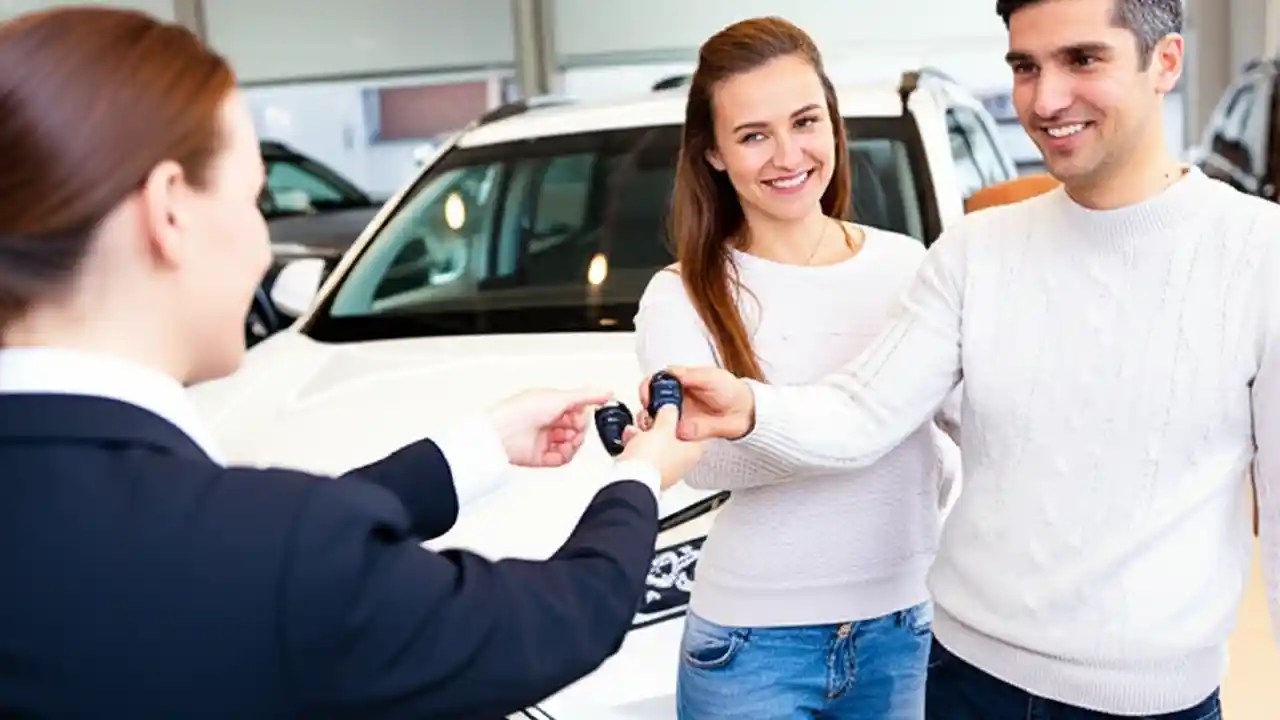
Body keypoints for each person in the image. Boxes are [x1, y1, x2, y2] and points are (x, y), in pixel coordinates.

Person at [0, 7, 703, 719]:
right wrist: (642, 475)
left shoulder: (182, 530)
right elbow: (563, 615)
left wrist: (477, 448)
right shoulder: (261, 549)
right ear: (170, 211)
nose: (263, 247)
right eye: (255, 202)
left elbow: (257, 545)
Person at [642, 0, 1279, 718]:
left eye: (1082, 59)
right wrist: (751, 407)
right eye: (1025, 67)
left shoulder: (1258, 254)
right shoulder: (975, 250)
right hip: (964, 681)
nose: (1047, 98)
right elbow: (867, 410)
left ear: (1165, 61)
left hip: (1153, 701)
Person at [633, 16, 958, 719]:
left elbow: (972, 422)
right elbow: (711, 464)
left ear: (833, 124)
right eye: (753, 135)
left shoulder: (909, 266)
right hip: (751, 647)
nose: (789, 155)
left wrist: (924, 450)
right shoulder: (682, 293)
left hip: (904, 630)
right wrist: (889, 431)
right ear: (714, 154)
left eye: (806, 122)